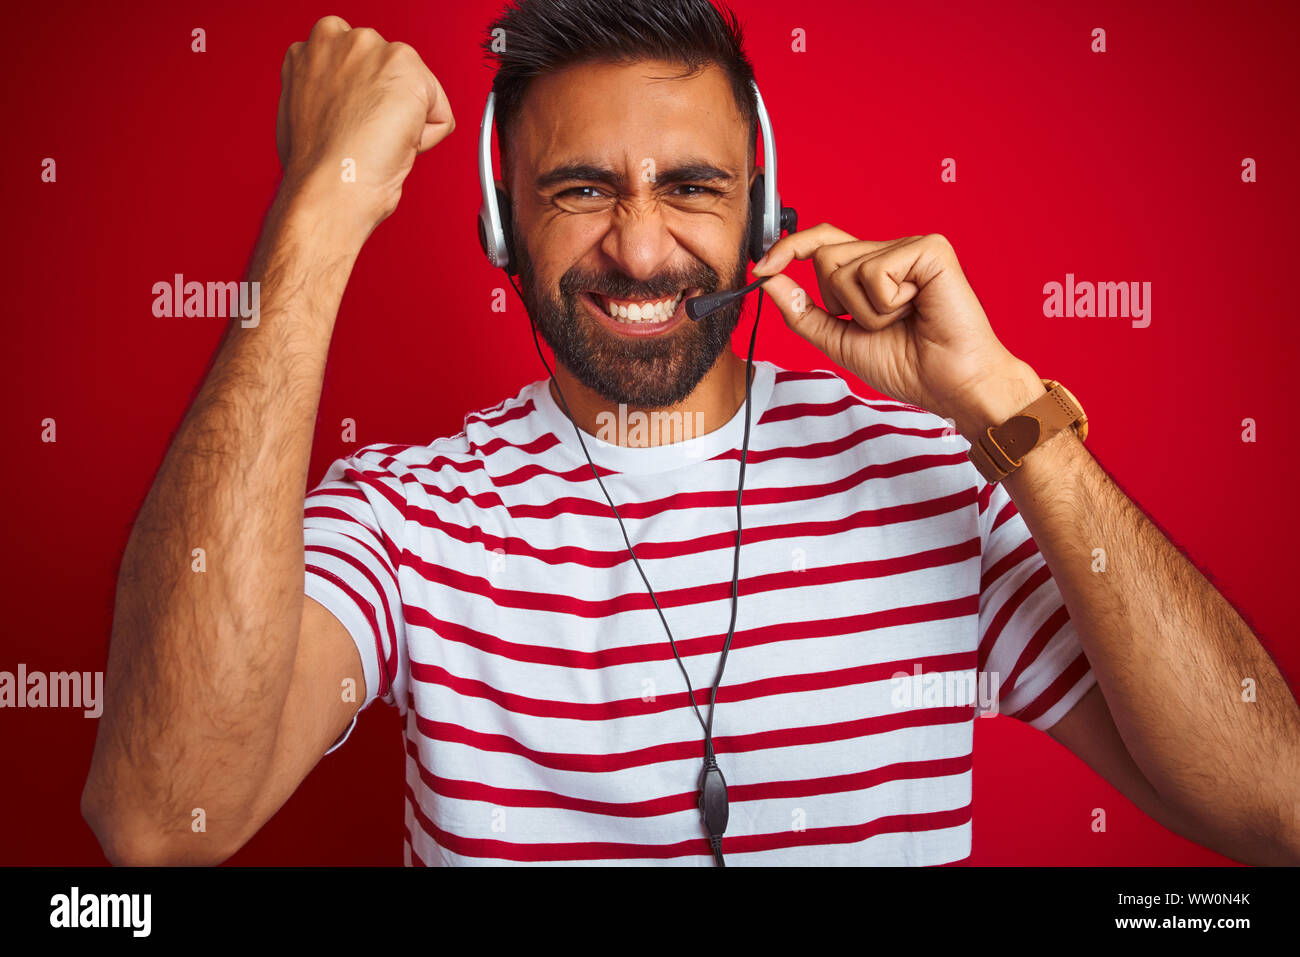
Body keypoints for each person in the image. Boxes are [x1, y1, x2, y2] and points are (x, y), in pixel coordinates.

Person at [82, 0, 1300, 866]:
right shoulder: (410, 517)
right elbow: (157, 818)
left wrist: (1005, 411)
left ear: (761, 210)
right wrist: (321, 206)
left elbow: (1270, 807)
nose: (642, 246)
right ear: (501, 235)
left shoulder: (935, 474)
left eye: (692, 187)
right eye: (580, 189)